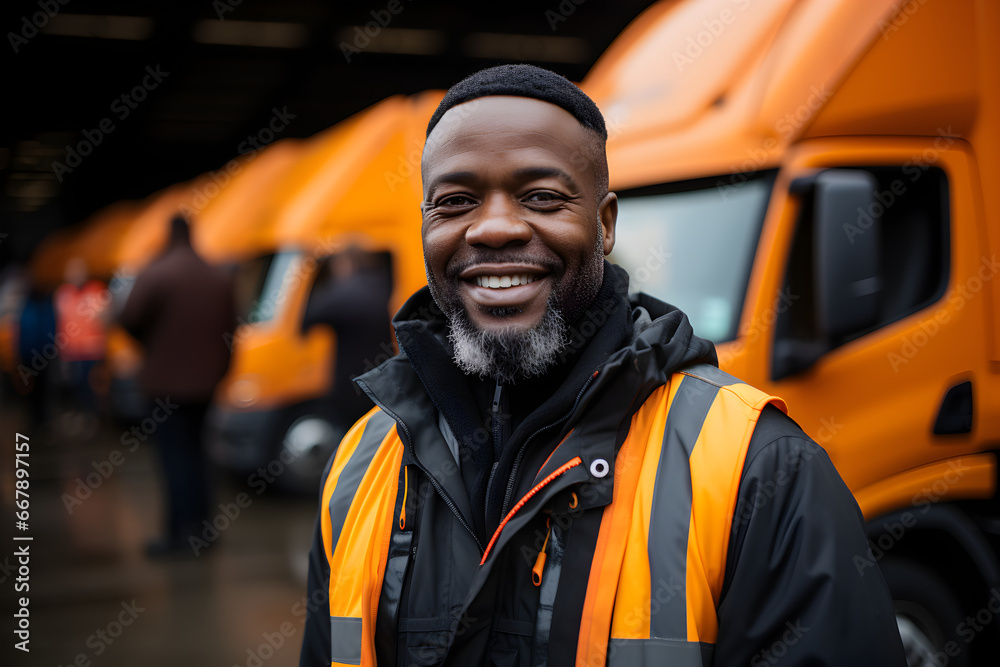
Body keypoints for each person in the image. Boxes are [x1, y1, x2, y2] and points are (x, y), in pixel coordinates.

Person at [299, 65, 906, 666]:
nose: (495, 228)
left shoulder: (758, 467)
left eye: (541, 196)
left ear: (606, 223)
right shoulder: (359, 468)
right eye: (455, 201)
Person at [119, 214, 236, 557]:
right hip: (206, 383)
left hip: (165, 385)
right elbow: (231, 329)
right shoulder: (217, 276)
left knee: (174, 458)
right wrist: (220, 368)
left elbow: (129, 318)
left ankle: (180, 534)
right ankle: (204, 530)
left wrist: (150, 345)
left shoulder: (156, 273)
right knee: (200, 453)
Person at [301, 246, 394, 428]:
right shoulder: (381, 284)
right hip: (383, 377)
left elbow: (308, 319)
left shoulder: (345, 292)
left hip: (351, 387)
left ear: (345, 263)